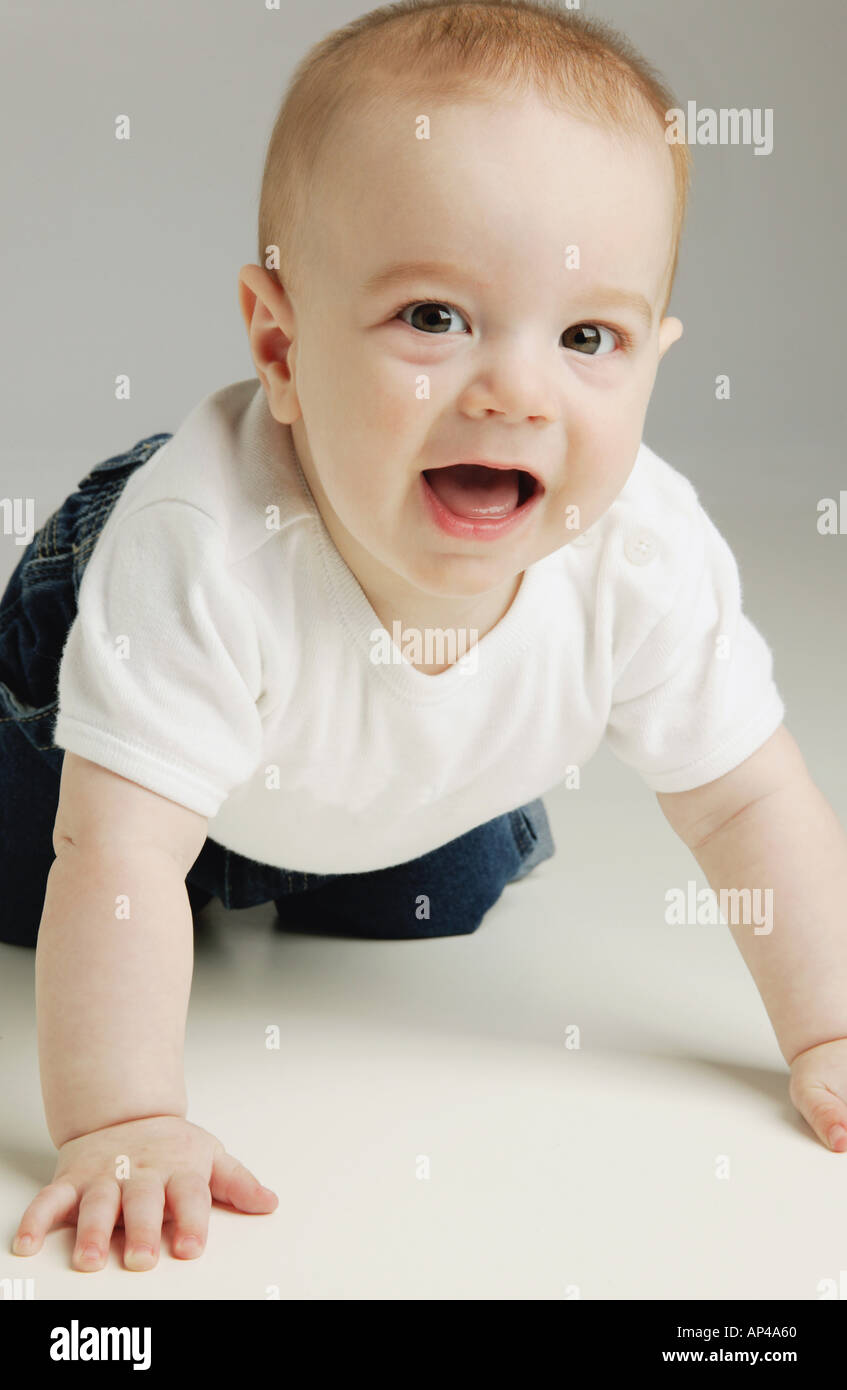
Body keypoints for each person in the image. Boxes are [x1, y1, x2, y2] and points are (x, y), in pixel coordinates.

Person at [5, 1, 846, 1277]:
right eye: (433, 318)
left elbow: (748, 805)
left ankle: (297, 850)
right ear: (280, 345)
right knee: (52, 879)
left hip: (353, 767)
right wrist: (124, 1119)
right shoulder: (203, 548)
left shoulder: (643, 550)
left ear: (653, 362)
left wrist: (828, 1031)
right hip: (107, 709)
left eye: (586, 338)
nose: (514, 389)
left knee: (443, 894)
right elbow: (111, 850)